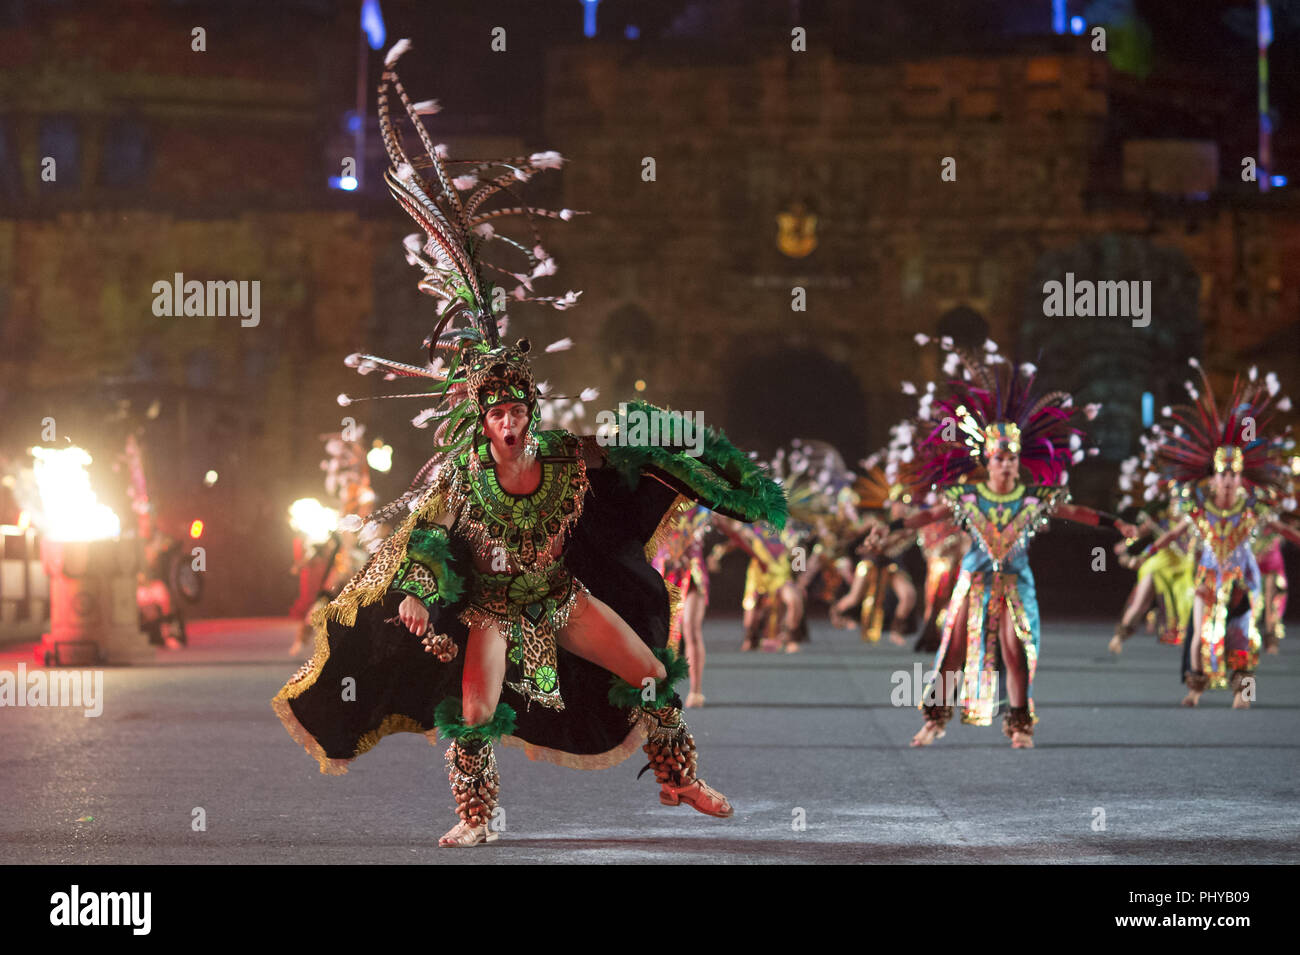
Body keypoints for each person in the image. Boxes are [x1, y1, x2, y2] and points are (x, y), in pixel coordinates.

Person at [272, 39, 787, 848]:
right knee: (473, 713)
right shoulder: (466, 479)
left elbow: (632, 456)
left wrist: (708, 471)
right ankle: (476, 818)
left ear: (528, 411)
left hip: (559, 597)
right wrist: (416, 587)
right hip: (490, 608)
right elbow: (430, 541)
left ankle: (680, 780)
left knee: (652, 674)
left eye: (519, 409)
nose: (510, 421)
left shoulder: (563, 457)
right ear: (482, 420)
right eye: (498, 412)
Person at [887, 337, 1136, 749]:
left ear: (1019, 460)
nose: (1006, 463)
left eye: (1012, 457)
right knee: (953, 649)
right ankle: (934, 720)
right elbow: (930, 516)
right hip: (974, 578)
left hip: (1016, 582)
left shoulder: (1034, 497)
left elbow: (1075, 513)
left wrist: (1117, 525)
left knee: (1015, 650)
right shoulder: (967, 497)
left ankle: (1020, 725)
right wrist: (890, 526)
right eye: (999, 457)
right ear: (987, 459)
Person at [1137, 363, 1300, 708]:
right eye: (1222, 474)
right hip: (1209, 576)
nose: (1227, 480)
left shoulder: (1254, 509)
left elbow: (1284, 529)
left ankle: (1243, 694)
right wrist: (1145, 550)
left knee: (1242, 637)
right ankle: (1196, 688)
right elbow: (1174, 533)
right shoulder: (1198, 508)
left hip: (1243, 578)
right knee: (1201, 634)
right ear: (1212, 478)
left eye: (1233, 475)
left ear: (1242, 478)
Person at [651, 504, 712, 706]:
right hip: (663, 572)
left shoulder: (702, 507)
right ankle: (655, 691)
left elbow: (732, 524)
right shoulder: (661, 499)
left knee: (692, 629)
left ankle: (696, 691)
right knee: (657, 633)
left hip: (693, 573)